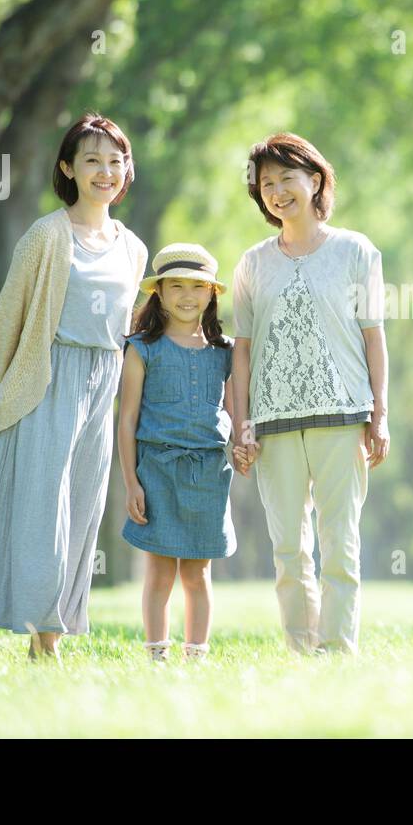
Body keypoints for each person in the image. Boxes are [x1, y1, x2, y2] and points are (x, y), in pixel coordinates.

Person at [0, 112, 147, 662]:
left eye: (115, 161)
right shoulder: (46, 235)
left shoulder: (133, 248)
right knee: (44, 508)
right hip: (49, 377)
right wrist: (20, 381)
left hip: (103, 382)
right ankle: (43, 638)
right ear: (69, 167)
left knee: (84, 507)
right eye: (91, 160)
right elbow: (5, 322)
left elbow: (126, 327)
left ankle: (54, 632)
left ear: (126, 170)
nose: (104, 171)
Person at [230, 132, 390, 656]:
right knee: (287, 549)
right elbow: (243, 352)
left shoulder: (355, 251)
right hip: (273, 423)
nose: (276, 192)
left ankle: (338, 649)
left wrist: (380, 414)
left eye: (286, 179)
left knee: (339, 543)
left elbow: (374, 337)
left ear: (315, 180)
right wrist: (242, 422)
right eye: (266, 184)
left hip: (344, 415)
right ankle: (302, 649)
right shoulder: (252, 264)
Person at [118, 244, 237, 662]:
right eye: (177, 287)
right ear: (160, 294)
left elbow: (234, 410)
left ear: (211, 294)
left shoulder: (225, 351)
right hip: (158, 470)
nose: (188, 296)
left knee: (198, 571)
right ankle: (156, 652)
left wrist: (243, 443)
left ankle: (197, 652)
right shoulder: (142, 348)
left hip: (208, 471)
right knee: (161, 569)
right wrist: (131, 481)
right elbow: (127, 420)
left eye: (197, 287)